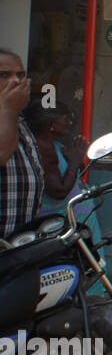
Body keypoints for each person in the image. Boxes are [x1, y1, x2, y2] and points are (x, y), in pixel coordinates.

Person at [26, 102, 98, 242]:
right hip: (63, 226)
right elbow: (59, 190)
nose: (70, 123)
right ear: (51, 123)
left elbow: (75, 175)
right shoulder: (42, 147)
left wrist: (75, 160)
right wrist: (74, 161)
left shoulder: (56, 146)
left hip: (76, 222)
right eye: (66, 118)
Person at [0, 50, 44, 239]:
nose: (16, 81)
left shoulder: (20, 120)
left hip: (17, 245)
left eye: (20, 75)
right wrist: (9, 108)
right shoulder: (11, 112)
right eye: (4, 75)